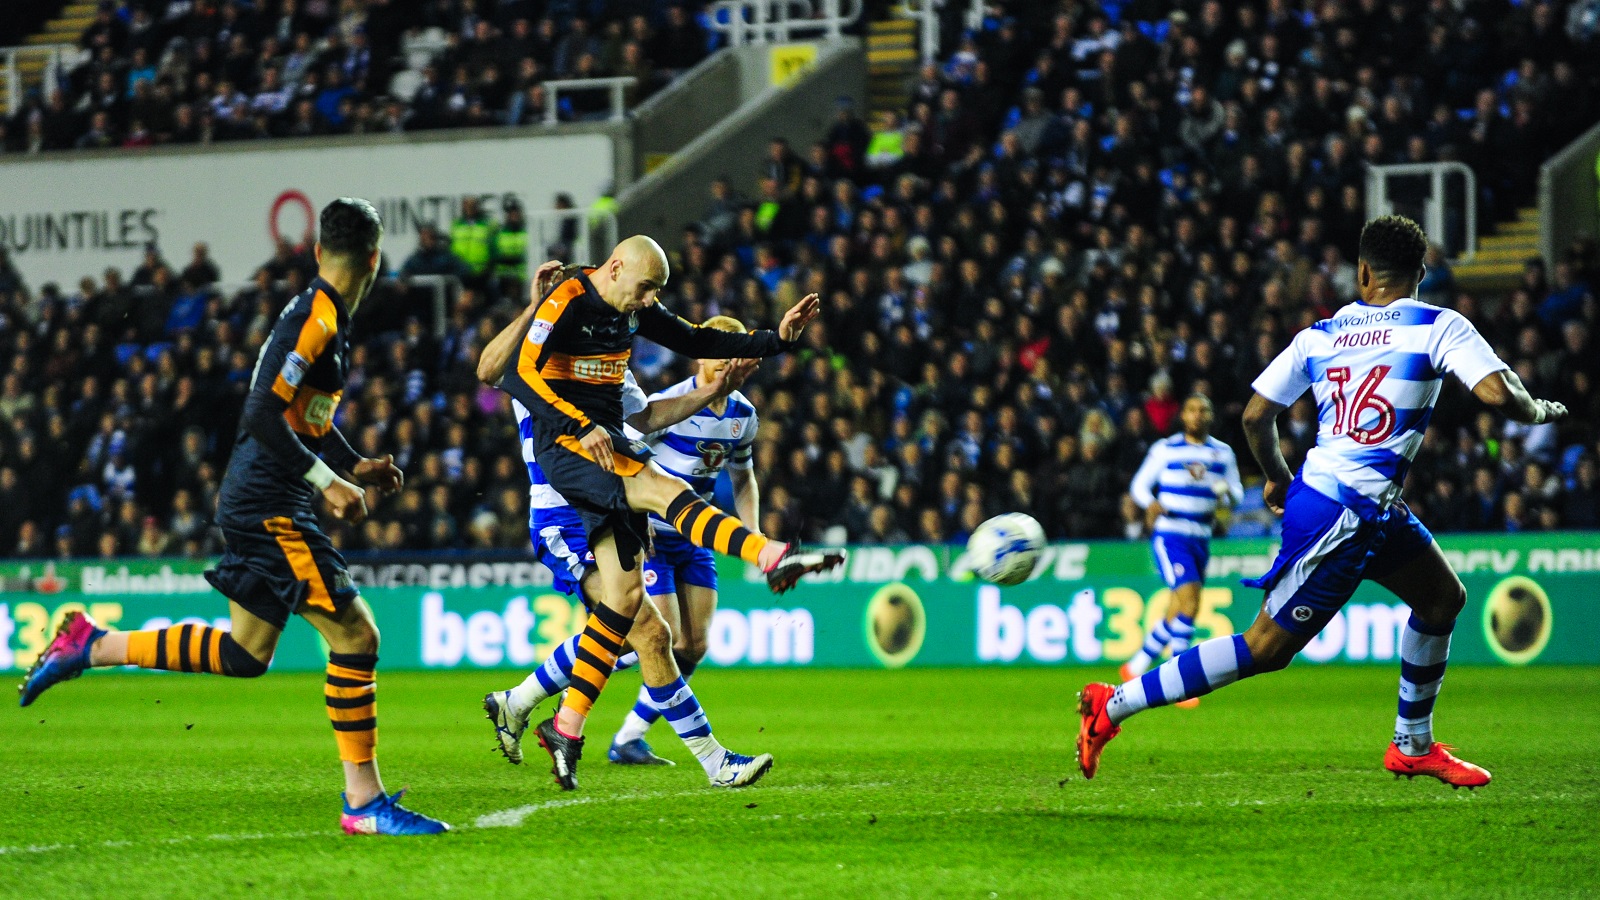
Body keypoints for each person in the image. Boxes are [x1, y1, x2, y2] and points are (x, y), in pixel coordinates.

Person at [1076, 216, 1568, 787]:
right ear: (1420, 274)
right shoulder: (1437, 325)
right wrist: (1536, 409)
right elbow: (1496, 392)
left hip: (1363, 505)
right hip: (1341, 513)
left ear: (1363, 274)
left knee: (1441, 599)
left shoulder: (1322, 334)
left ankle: (1412, 744)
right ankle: (1111, 705)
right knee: (1265, 648)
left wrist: (1277, 477)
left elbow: (1256, 415)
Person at [19, 198, 449, 835]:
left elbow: (301, 417)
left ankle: (91, 644)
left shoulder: (320, 314)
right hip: (271, 505)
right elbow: (260, 415)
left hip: (257, 499)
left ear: (317, 251)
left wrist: (353, 464)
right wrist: (327, 481)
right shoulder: (317, 318)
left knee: (247, 653)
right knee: (357, 636)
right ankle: (363, 803)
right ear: (375, 260)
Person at [492, 235, 844, 790]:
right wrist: (535, 306)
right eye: (645, 288)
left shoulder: (618, 344)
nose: (648, 301)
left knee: (637, 623)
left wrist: (769, 344)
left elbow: (654, 404)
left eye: (655, 291)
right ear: (612, 270)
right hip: (562, 493)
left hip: (604, 473)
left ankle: (552, 718)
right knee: (657, 521)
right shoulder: (554, 321)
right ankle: (766, 554)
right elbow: (496, 369)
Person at [606, 315, 764, 766]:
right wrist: (636, 520)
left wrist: (753, 535)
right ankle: (597, 664)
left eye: (733, 353)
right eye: (718, 352)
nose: (725, 362)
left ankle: (628, 738)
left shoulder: (743, 416)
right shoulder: (668, 405)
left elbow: (744, 478)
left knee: (695, 646)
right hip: (655, 534)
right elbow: (625, 461)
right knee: (666, 635)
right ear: (700, 357)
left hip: (695, 538)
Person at [1121, 394, 1243, 707]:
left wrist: (1227, 495)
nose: (1198, 415)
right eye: (1192, 410)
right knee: (1190, 602)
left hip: (1201, 536)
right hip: (1171, 534)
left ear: (1211, 416)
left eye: (1204, 410)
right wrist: (1152, 503)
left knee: (1178, 607)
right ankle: (1179, 682)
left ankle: (1136, 665)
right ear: (1183, 416)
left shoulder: (1222, 453)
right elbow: (1139, 486)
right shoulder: (1166, 448)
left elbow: (1237, 495)